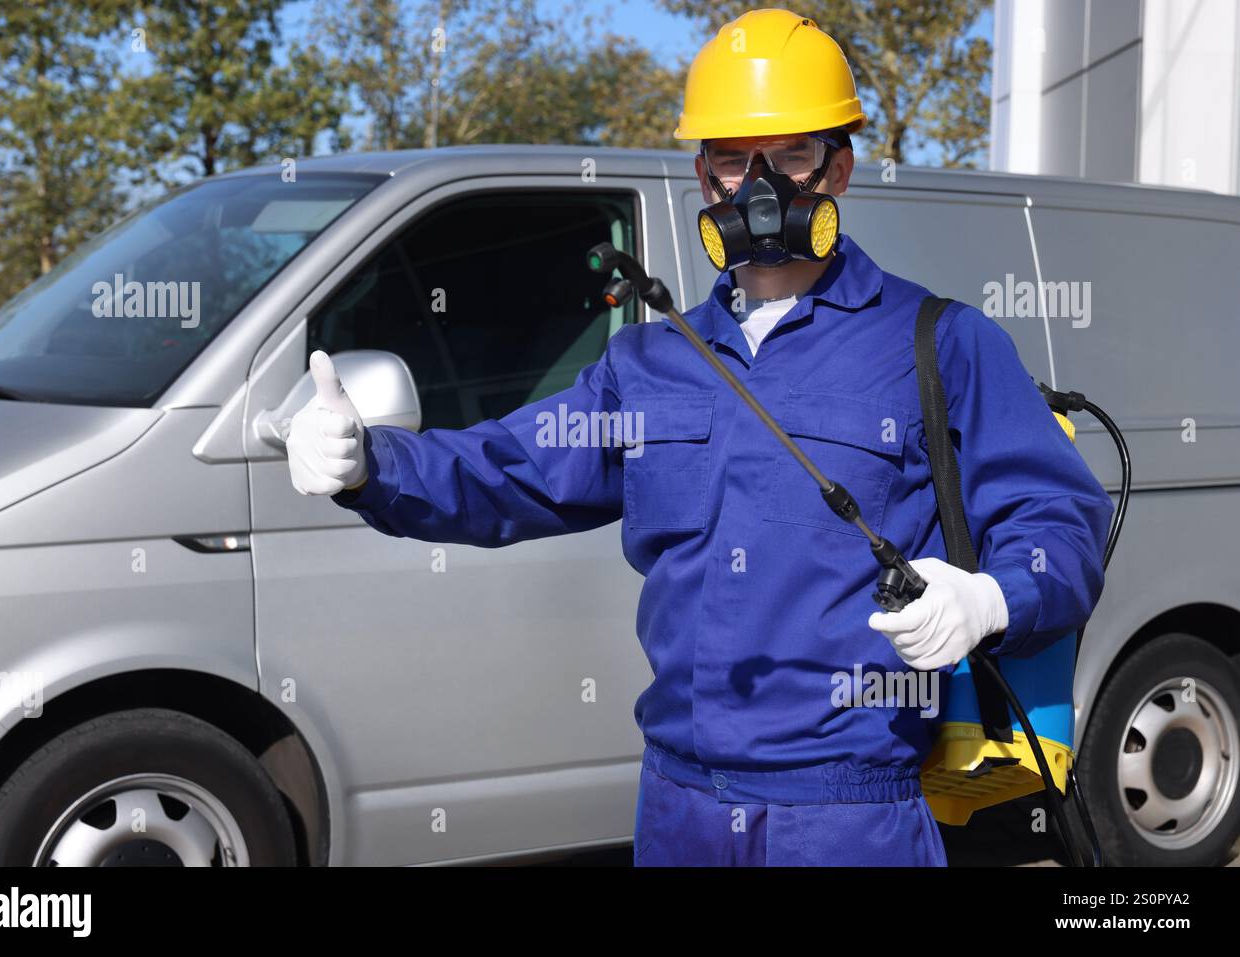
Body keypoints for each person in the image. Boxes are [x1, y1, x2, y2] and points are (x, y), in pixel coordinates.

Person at [285, 8, 1113, 866]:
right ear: (703, 174)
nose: (761, 186)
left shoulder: (937, 341)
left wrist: (989, 600)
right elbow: (512, 468)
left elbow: (1061, 522)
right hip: (678, 808)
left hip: (848, 815)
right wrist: (370, 463)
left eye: (791, 154)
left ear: (841, 166)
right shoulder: (649, 362)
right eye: (732, 157)